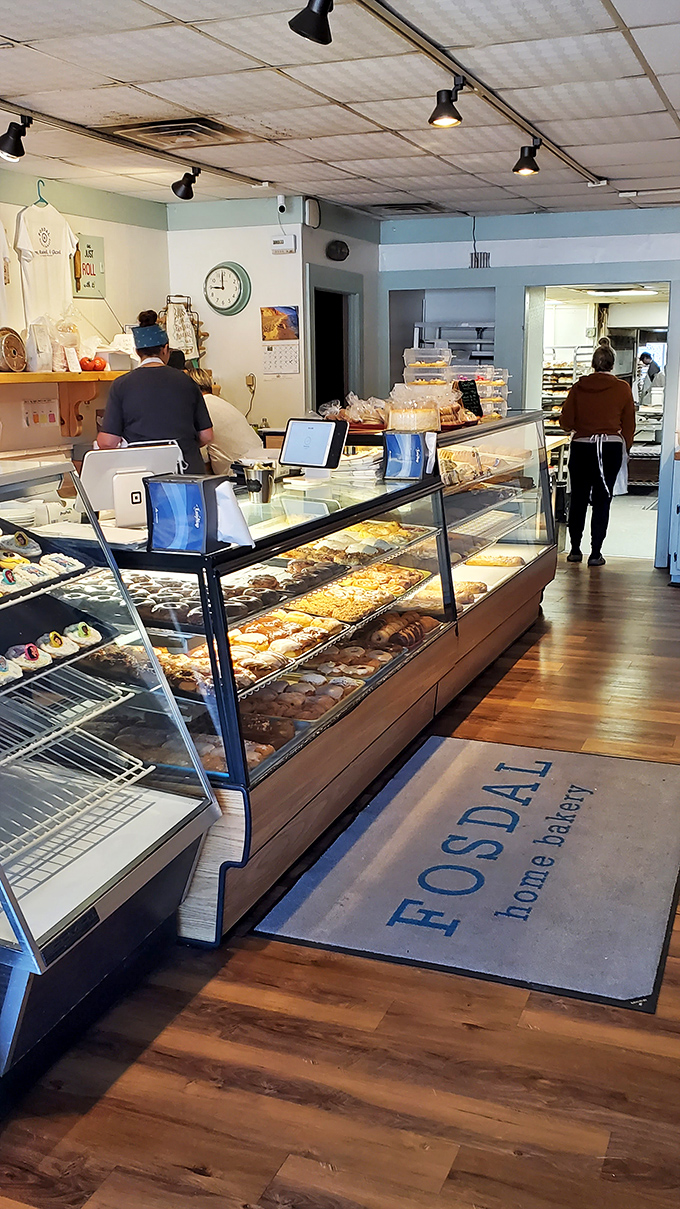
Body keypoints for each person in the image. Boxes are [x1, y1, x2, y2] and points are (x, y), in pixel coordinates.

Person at [97, 311, 213, 474]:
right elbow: (207, 436)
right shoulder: (187, 381)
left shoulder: (121, 385)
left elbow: (108, 441)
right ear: (166, 349)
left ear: (137, 351)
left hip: (144, 474)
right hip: (187, 471)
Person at [560, 343, 635, 567]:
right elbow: (629, 424)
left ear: (593, 364)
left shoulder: (578, 387)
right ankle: (595, 553)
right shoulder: (622, 389)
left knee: (579, 499)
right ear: (613, 364)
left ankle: (574, 549)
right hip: (610, 448)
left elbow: (566, 423)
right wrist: (625, 449)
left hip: (582, 447)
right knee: (603, 500)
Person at [187, 367, 264, 475]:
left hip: (238, 472)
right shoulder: (220, 402)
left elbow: (202, 456)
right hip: (259, 463)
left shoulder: (200, 407)